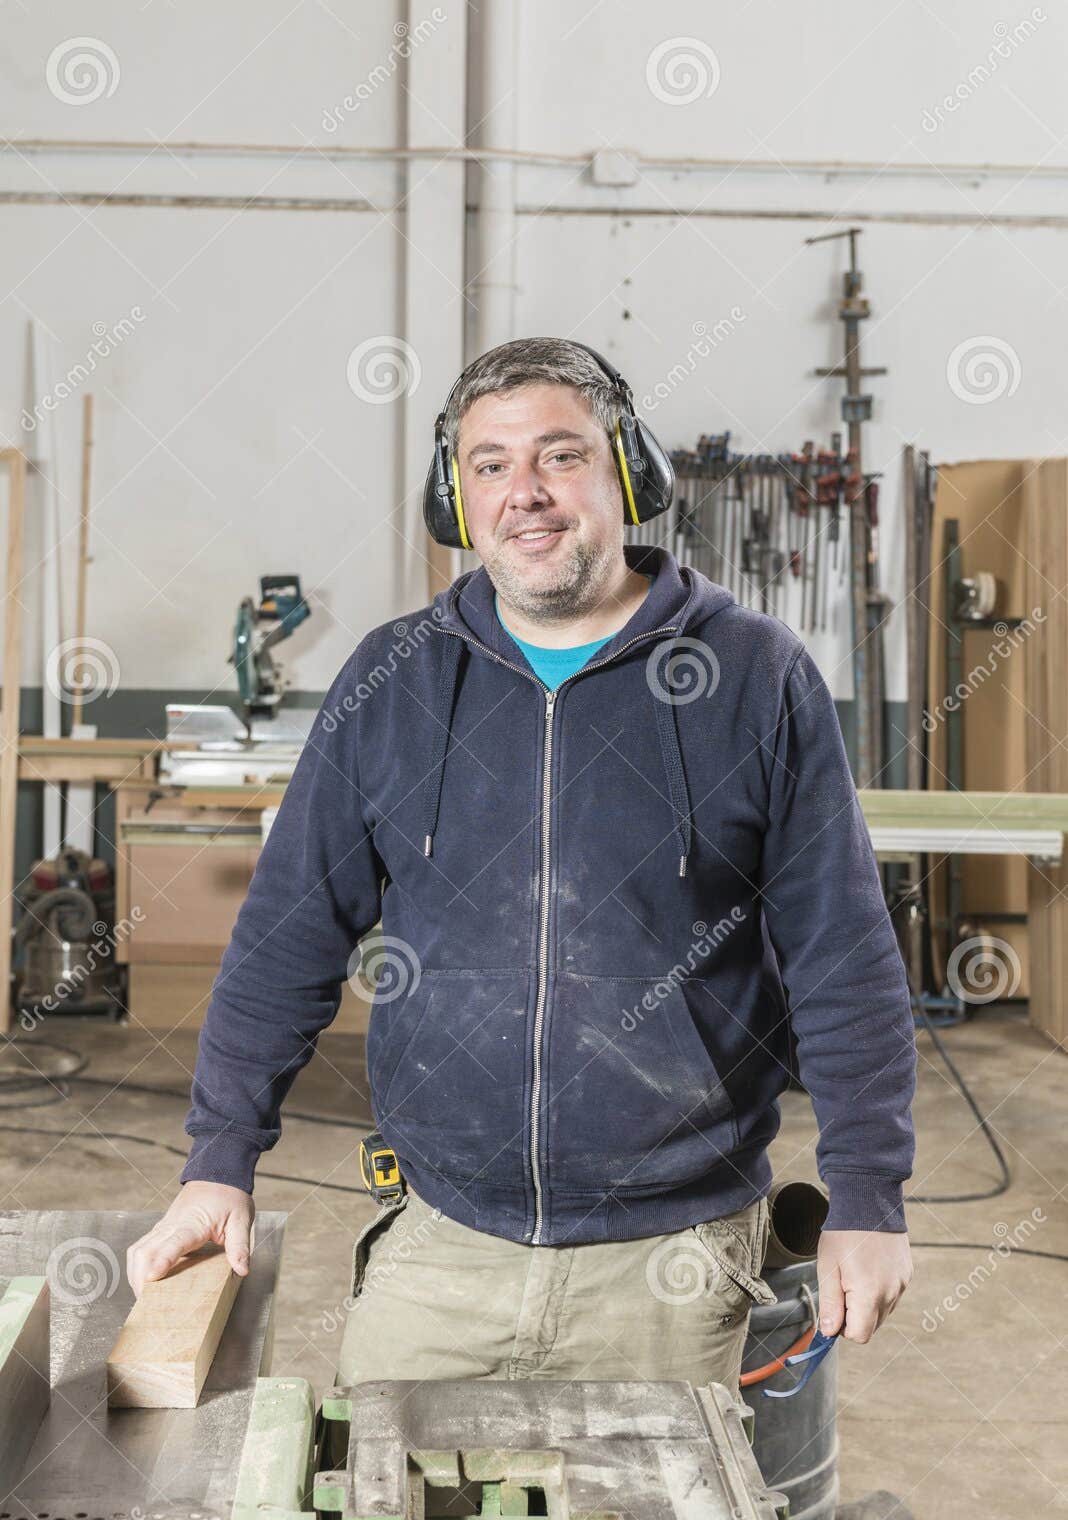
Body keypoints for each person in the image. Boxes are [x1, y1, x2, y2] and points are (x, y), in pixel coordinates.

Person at [126, 337, 915, 1395]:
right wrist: (217, 1158)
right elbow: (288, 935)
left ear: (628, 474)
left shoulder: (751, 673)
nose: (526, 494)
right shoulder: (394, 678)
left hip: (672, 1261)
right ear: (457, 497)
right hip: (442, 1248)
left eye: (560, 456)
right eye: (490, 465)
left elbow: (843, 954)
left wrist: (867, 1194)